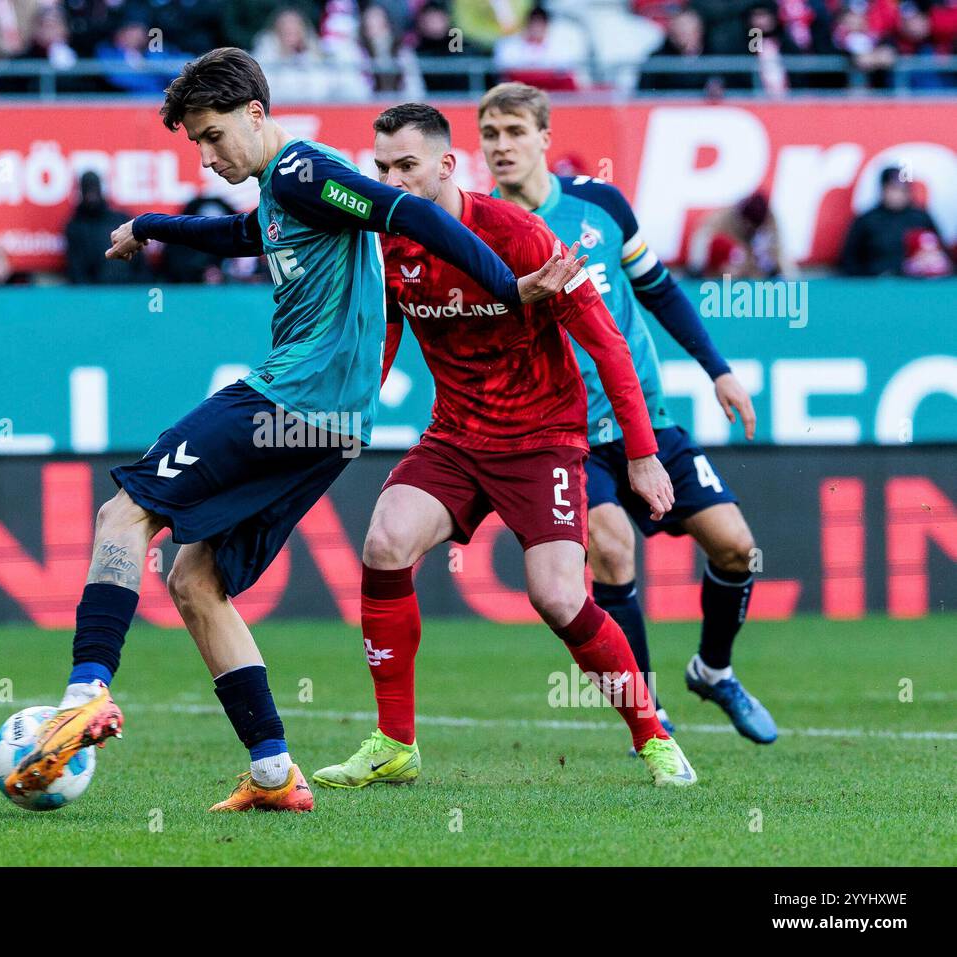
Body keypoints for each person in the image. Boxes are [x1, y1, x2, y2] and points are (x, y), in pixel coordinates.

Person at [4, 47, 560, 814]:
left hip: (290, 398)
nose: (207, 155)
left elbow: (411, 212)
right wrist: (150, 225)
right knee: (196, 581)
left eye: (212, 135)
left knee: (123, 511)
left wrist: (505, 286)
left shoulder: (302, 170)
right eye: (196, 142)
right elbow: (242, 236)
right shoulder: (282, 193)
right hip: (330, 426)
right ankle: (273, 772)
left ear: (256, 114)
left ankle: (84, 693)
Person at [311, 104, 697, 791]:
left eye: (407, 166)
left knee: (557, 597)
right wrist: (351, 410)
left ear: (445, 165)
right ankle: (395, 742)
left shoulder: (520, 235)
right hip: (455, 437)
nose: (391, 182)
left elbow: (609, 346)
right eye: (382, 168)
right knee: (384, 543)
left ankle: (653, 736)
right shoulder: (389, 242)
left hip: (541, 440)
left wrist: (642, 454)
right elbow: (385, 334)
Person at [483, 83, 778, 746]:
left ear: (543, 138)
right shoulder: (481, 227)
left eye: (515, 131)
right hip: (565, 434)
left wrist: (719, 369)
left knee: (737, 546)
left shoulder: (603, 206)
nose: (502, 146)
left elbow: (660, 291)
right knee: (614, 550)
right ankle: (650, 714)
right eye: (491, 134)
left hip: (646, 419)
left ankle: (713, 670)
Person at [840, 165, 954, 277]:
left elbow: (943, 255)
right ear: (883, 189)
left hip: (915, 283)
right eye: (893, 189)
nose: (898, 195)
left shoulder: (921, 218)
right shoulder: (867, 220)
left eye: (903, 190)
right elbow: (849, 260)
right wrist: (870, 275)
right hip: (875, 282)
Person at [688, 191, 793, 278]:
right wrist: (697, 266)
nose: (750, 229)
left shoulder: (769, 223)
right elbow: (702, 235)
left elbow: (779, 252)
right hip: (728, 271)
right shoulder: (726, 217)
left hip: (755, 273)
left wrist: (779, 270)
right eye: (748, 225)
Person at [64, 171, 142, 284]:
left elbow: (140, 262)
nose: (91, 194)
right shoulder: (75, 227)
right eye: (87, 188)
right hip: (95, 291)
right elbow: (76, 269)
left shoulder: (122, 220)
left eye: (94, 187)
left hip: (129, 287)